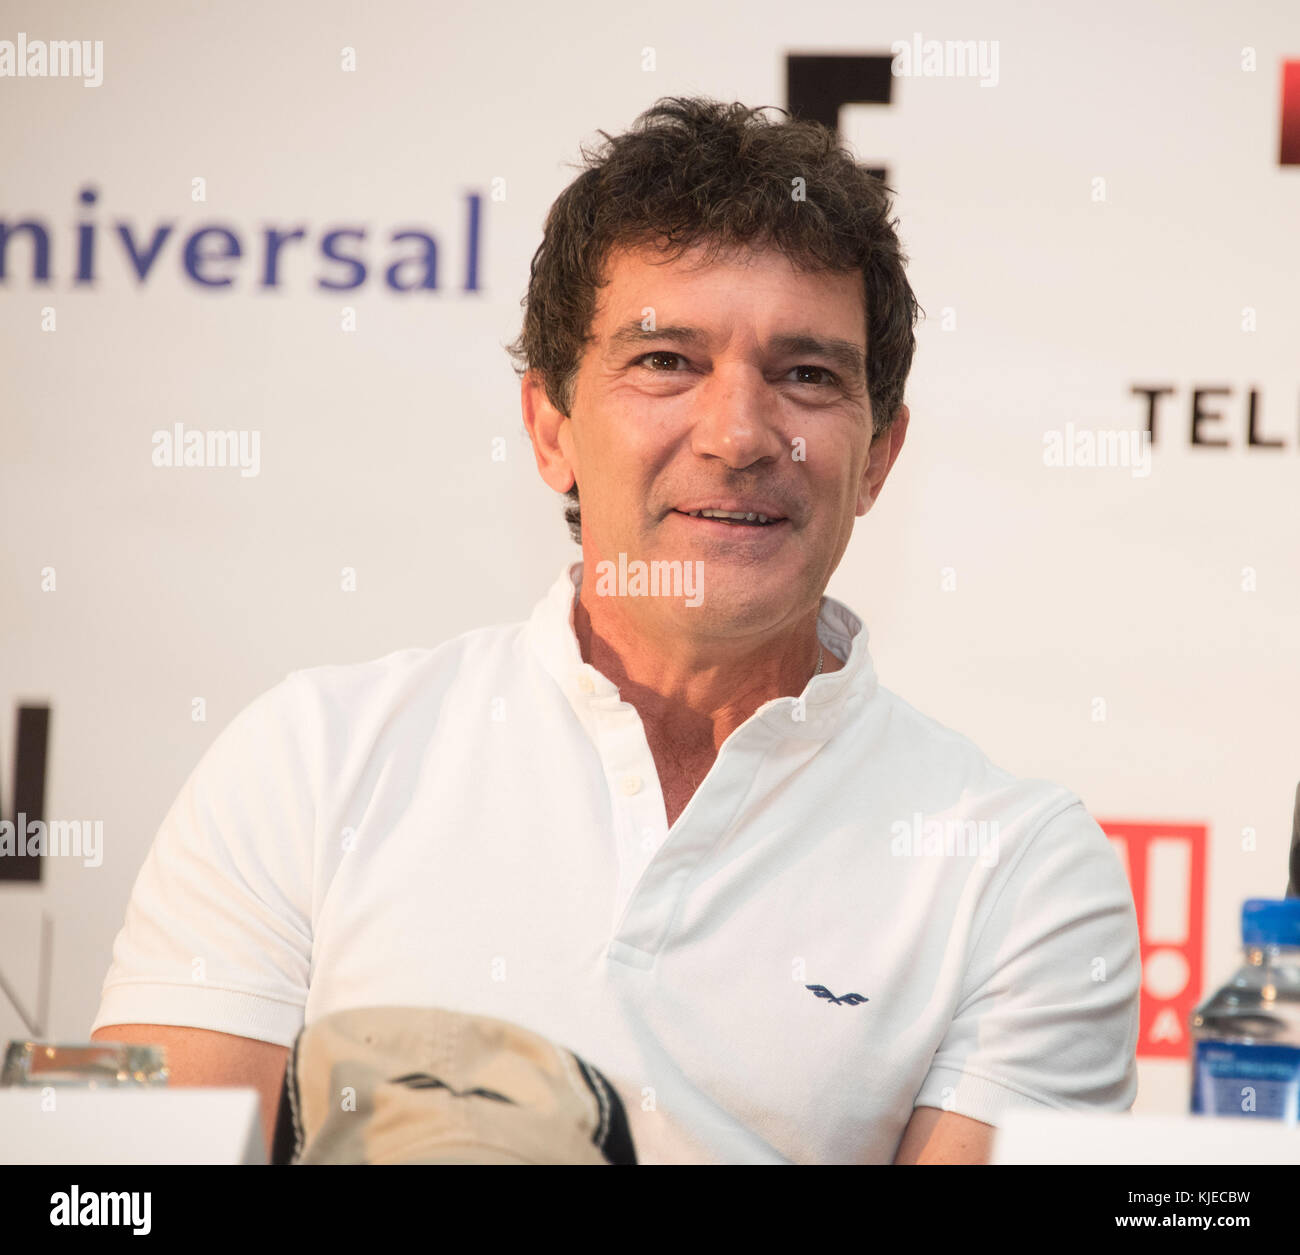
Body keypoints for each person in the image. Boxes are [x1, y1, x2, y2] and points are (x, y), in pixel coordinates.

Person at [92, 96, 1140, 1164]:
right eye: (665, 360)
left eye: (807, 375)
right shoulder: (309, 763)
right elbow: (128, 1187)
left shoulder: (1018, 871)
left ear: (876, 457)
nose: (738, 434)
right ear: (549, 424)